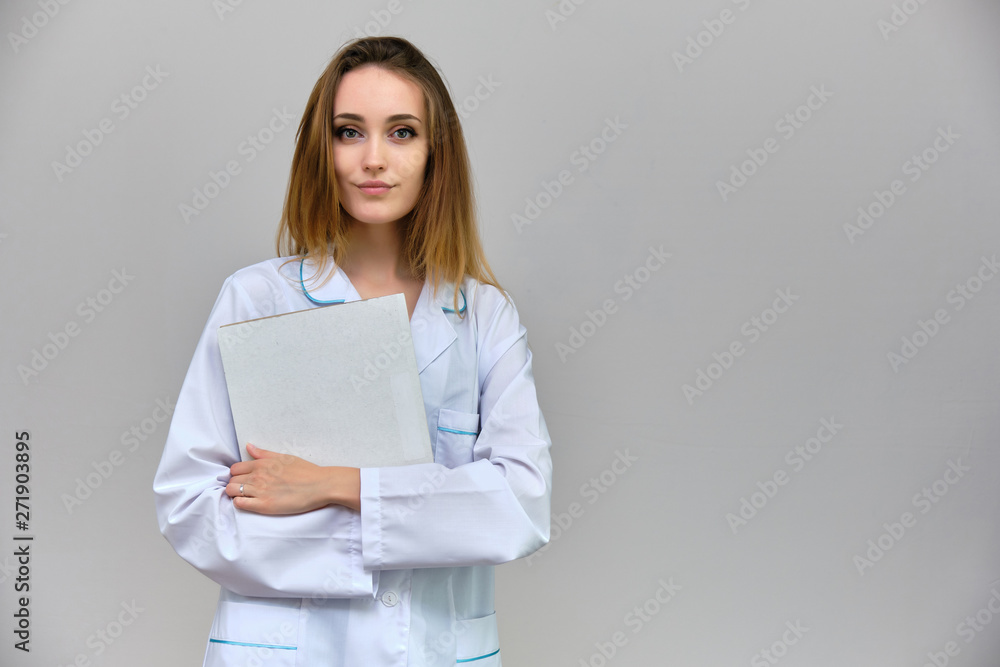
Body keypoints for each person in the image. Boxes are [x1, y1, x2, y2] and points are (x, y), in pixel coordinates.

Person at [153, 36, 552, 666]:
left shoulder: (484, 317)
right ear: (322, 150)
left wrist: (331, 486)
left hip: (437, 648)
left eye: (401, 133)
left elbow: (519, 508)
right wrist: (431, 511)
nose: (372, 159)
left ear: (433, 154)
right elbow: (190, 507)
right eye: (348, 132)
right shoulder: (256, 299)